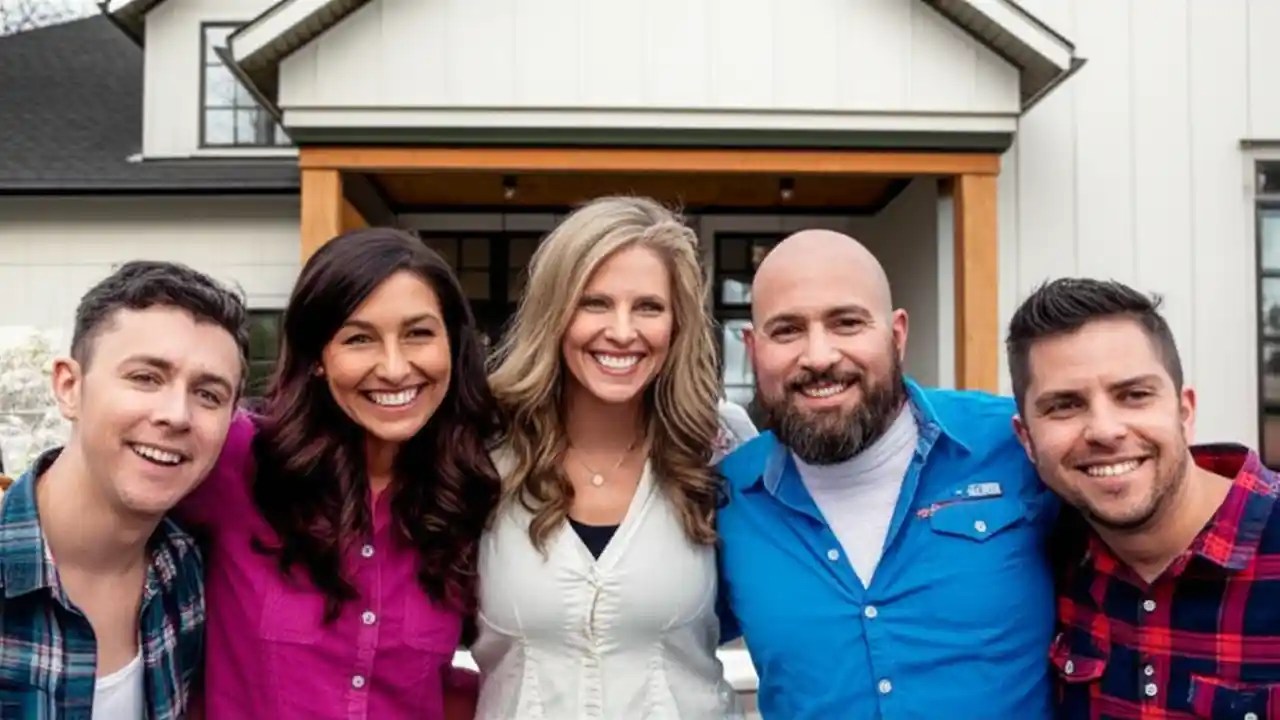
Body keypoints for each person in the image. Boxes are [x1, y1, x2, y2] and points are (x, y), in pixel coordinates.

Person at [715, 229, 1058, 719]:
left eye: (847, 323)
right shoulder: (728, 496)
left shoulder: (1015, 444)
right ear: (752, 347)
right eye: (787, 330)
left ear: (896, 334)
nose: (819, 356)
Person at [176, 228, 501, 719]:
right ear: (319, 360)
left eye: (418, 333)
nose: (394, 368)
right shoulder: (238, 459)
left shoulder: (472, 492)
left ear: (454, 347)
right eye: (358, 339)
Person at [472, 196, 742, 718]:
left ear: (677, 322)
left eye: (648, 307)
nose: (622, 331)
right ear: (555, 312)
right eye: (594, 303)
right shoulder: (482, 447)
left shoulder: (720, 443)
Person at [1007, 278, 1280, 719]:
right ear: (1027, 440)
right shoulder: (1045, 555)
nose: (1105, 430)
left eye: (1134, 395)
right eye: (1064, 406)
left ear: (1184, 412)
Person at [0, 261, 248, 718]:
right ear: (69, 386)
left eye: (208, 394)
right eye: (145, 378)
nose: (177, 414)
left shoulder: (187, 575)